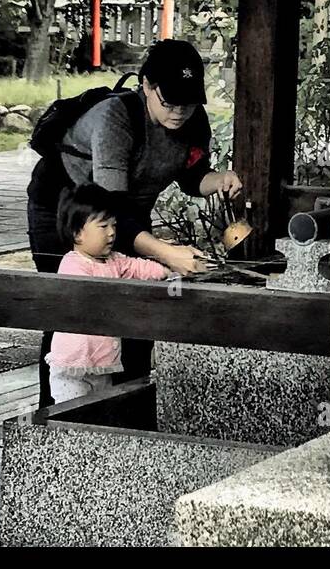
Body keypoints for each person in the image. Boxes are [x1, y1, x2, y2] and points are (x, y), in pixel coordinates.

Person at [26, 38, 243, 406]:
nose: (179, 111)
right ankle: (59, 408)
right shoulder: (116, 118)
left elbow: (193, 176)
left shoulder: (193, 119)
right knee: (70, 303)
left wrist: (219, 181)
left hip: (124, 211)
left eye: (188, 102)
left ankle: (129, 400)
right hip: (67, 209)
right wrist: (167, 253)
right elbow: (113, 208)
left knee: (139, 298)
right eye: (169, 100)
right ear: (146, 85)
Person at [46, 184, 169, 406]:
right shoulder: (73, 264)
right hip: (73, 367)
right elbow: (89, 297)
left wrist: (169, 270)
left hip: (103, 364)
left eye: (113, 225)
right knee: (73, 417)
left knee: (101, 413)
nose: (111, 232)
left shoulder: (115, 260)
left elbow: (139, 268)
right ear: (77, 233)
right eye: (103, 226)